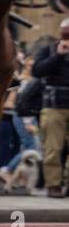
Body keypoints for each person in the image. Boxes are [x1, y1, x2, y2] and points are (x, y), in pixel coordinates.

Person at [31, 18, 69, 198]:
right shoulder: (49, 50)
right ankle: (53, 185)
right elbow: (37, 71)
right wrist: (58, 56)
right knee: (53, 149)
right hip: (54, 106)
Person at [0, 51, 42, 191]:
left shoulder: (38, 79)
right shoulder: (18, 80)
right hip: (23, 115)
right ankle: (7, 170)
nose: (32, 63)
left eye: (34, 61)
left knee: (29, 146)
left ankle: (21, 176)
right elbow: (9, 101)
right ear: (25, 62)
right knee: (30, 147)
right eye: (29, 60)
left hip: (29, 115)